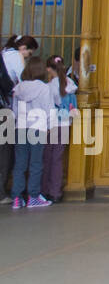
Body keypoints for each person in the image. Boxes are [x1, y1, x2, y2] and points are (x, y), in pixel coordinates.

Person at [12, 57, 55, 209]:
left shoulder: (18, 88)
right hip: (38, 128)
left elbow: (15, 111)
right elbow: (49, 109)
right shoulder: (44, 88)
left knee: (20, 164)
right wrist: (50, 126)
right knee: (36, 164)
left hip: (21, 127)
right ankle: (33, 196)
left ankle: (17, 198)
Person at [1, 35, 37, 199]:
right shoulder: (15, 56)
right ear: (23, 48)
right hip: (5, 110)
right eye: (29, 54)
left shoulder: (4, 53)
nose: (28, 58)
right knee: (5, 152)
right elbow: (22, 82)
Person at [41, 55, 77, 203]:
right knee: (58, 159)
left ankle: (44, 190)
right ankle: (56, 191)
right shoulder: (70, 83)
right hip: (65, 124)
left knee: (46, 158)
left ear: (49, 69)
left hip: (52, 124)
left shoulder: (49, 87)